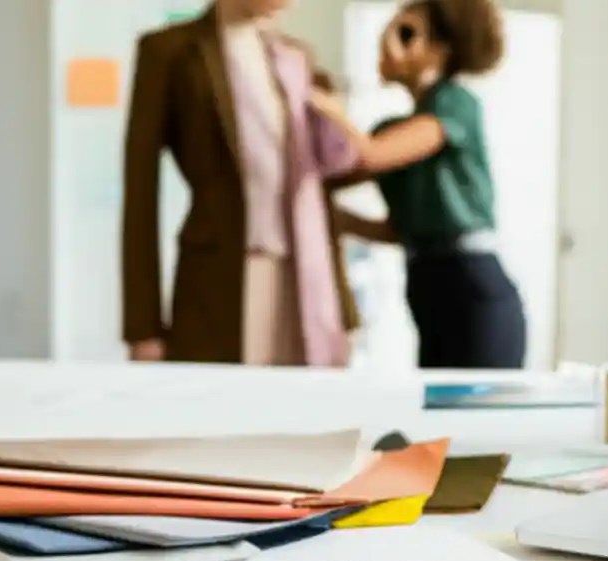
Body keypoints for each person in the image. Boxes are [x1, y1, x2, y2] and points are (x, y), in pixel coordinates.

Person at [121, 0, 359, 366]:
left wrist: (343, 309)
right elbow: (140, 192)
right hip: (218, 281)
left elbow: (317, 190)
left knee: (306, 414)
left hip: (306, 279)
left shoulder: (296, 58)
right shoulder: (168, 52)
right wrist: (143, 327)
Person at [309, 0, 527, 369]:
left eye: (407, 33)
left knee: (477, 419)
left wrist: (326, 106)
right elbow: (400, 228)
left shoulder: (455, 105)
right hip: (427, 286)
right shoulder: (390, 130)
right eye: (391, 29)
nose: (388, 41)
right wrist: (335, 219)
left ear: (440, 50)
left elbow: (369, 156)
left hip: (472, 287)